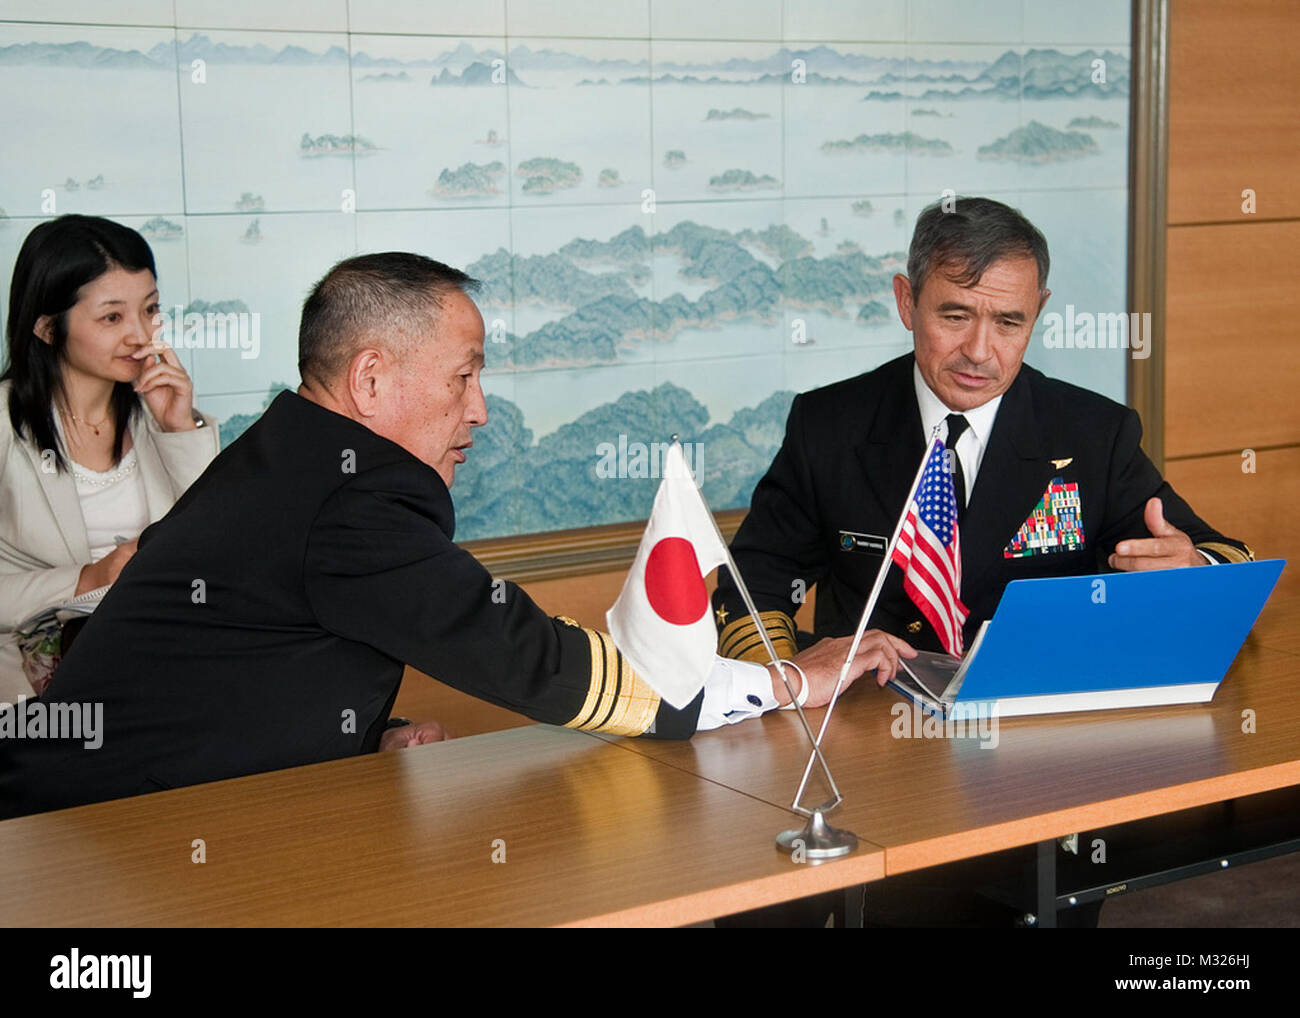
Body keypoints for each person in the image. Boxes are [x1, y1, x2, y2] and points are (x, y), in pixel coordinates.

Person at [0, 252, 900, 819]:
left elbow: (246, 643)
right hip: (74, 840)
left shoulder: (295, 455)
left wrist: (352, 730)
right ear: (371, 378)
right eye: (464, 377)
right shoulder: (354, 496)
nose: (477, 410)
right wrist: (781, 681)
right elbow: (525, 655)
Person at [710, 196, 1252, 928]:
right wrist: (788, 681)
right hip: (872, 761)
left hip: (1038, 775)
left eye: (1009, 323)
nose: (980, 352)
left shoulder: (1093, 434)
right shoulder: (829, 426)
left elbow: (1221, 560)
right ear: (907, 300)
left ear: (1040, 313)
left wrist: (1191, 581)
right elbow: (749, 586)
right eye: (956, 315)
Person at [0, 216, 219, 705]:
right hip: (30, 678)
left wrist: (179, 432)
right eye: (112, 318)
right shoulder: (4, 423)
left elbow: (215, 553)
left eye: (151, 310)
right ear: (47, 327)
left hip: (160, 657)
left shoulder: (165, 416)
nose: (141, 336)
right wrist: (87, 580)